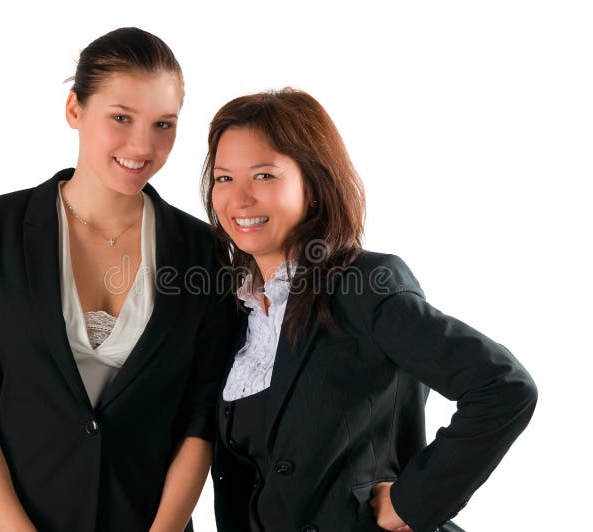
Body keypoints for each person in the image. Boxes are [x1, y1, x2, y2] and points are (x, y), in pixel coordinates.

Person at [0, 27, 235, 532]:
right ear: (74, 110)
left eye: (164, 124)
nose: (143, 145)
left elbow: (199, 417)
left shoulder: (204, 250)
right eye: (121, 118)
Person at [202, 88, 538, 532]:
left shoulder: (363, 284)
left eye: (264, 176)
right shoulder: (234, 309)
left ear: (315, 187)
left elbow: (502, 386)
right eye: (224, 178)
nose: (239, 199)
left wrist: (411, 501)